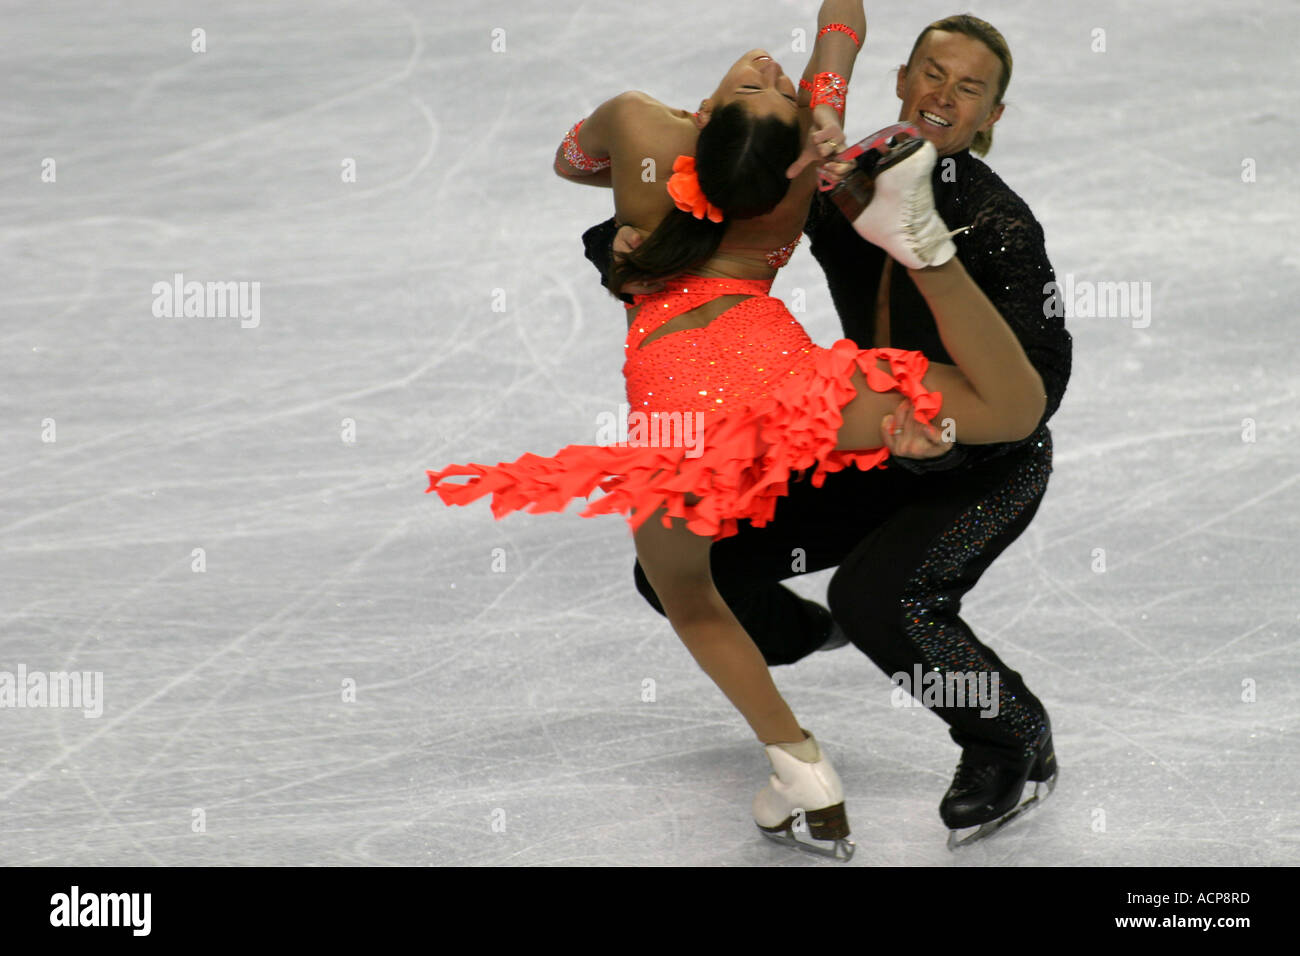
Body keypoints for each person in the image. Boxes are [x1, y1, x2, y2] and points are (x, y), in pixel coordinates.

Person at [428, 3, 1046, 858]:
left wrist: (668, 161)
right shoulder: (812, 165)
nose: (769, 62)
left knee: (711, 593)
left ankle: (824, 768)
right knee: (1001, 410)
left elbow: (576, 160)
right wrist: (813, 100)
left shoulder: (651, 129)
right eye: (773, 82)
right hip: (790, 388)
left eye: (773, 83)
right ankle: (926, 255)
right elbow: (839, 32)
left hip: (700, 414)